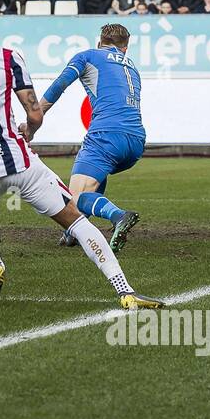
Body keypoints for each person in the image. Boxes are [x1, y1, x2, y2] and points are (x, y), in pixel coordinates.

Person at [0, 4, 162, 309]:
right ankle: (124, 290)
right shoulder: (8, 57)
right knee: (76, 221)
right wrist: (31, 130)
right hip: (20, 162)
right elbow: (34, 112)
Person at [37, 23, 146, 253]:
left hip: (106, 135)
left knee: (72, 200)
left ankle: (118, 216)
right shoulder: (132, 67)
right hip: (136, 141)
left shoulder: (88, 56)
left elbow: (60, 84)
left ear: (99, 43)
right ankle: (74, 232)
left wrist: (34, 117)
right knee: (94, 179)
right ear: (125, 49)